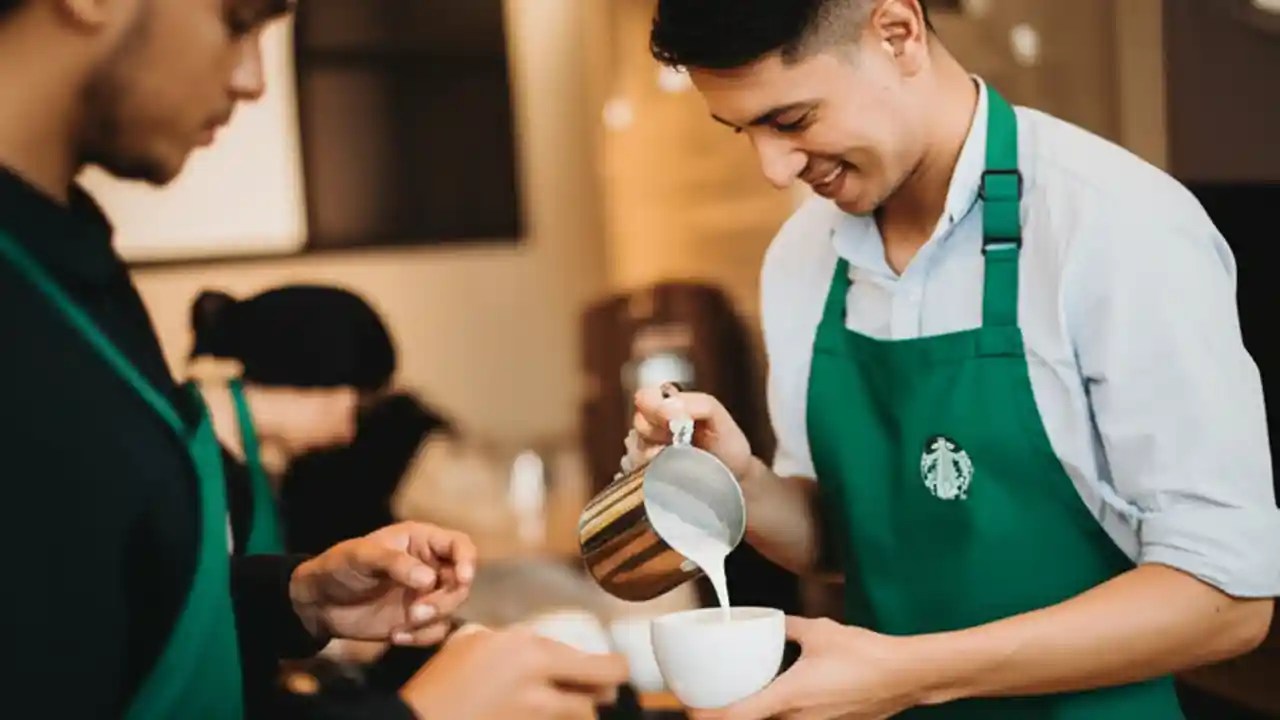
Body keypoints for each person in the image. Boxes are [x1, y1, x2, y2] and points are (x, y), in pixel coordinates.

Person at [625, 1, 1279, 718]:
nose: (774, 170)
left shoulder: (1116, 226)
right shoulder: (803, 257)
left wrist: (909, 674)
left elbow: (1229, 599)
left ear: (897, 33)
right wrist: (736, 481)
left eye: (792, 120)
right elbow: (840, 541)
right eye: (743, 131)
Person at [0, 1, 627, 718]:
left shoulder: (70, 256)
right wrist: (422, 714)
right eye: (238, 23)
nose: (254, 80)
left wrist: (292, 597)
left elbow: (93, 619)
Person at [186, 285, 407, 555]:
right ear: (317, 385)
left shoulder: (247, 461)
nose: (349, 435)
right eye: (357, 411)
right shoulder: (193, 459)